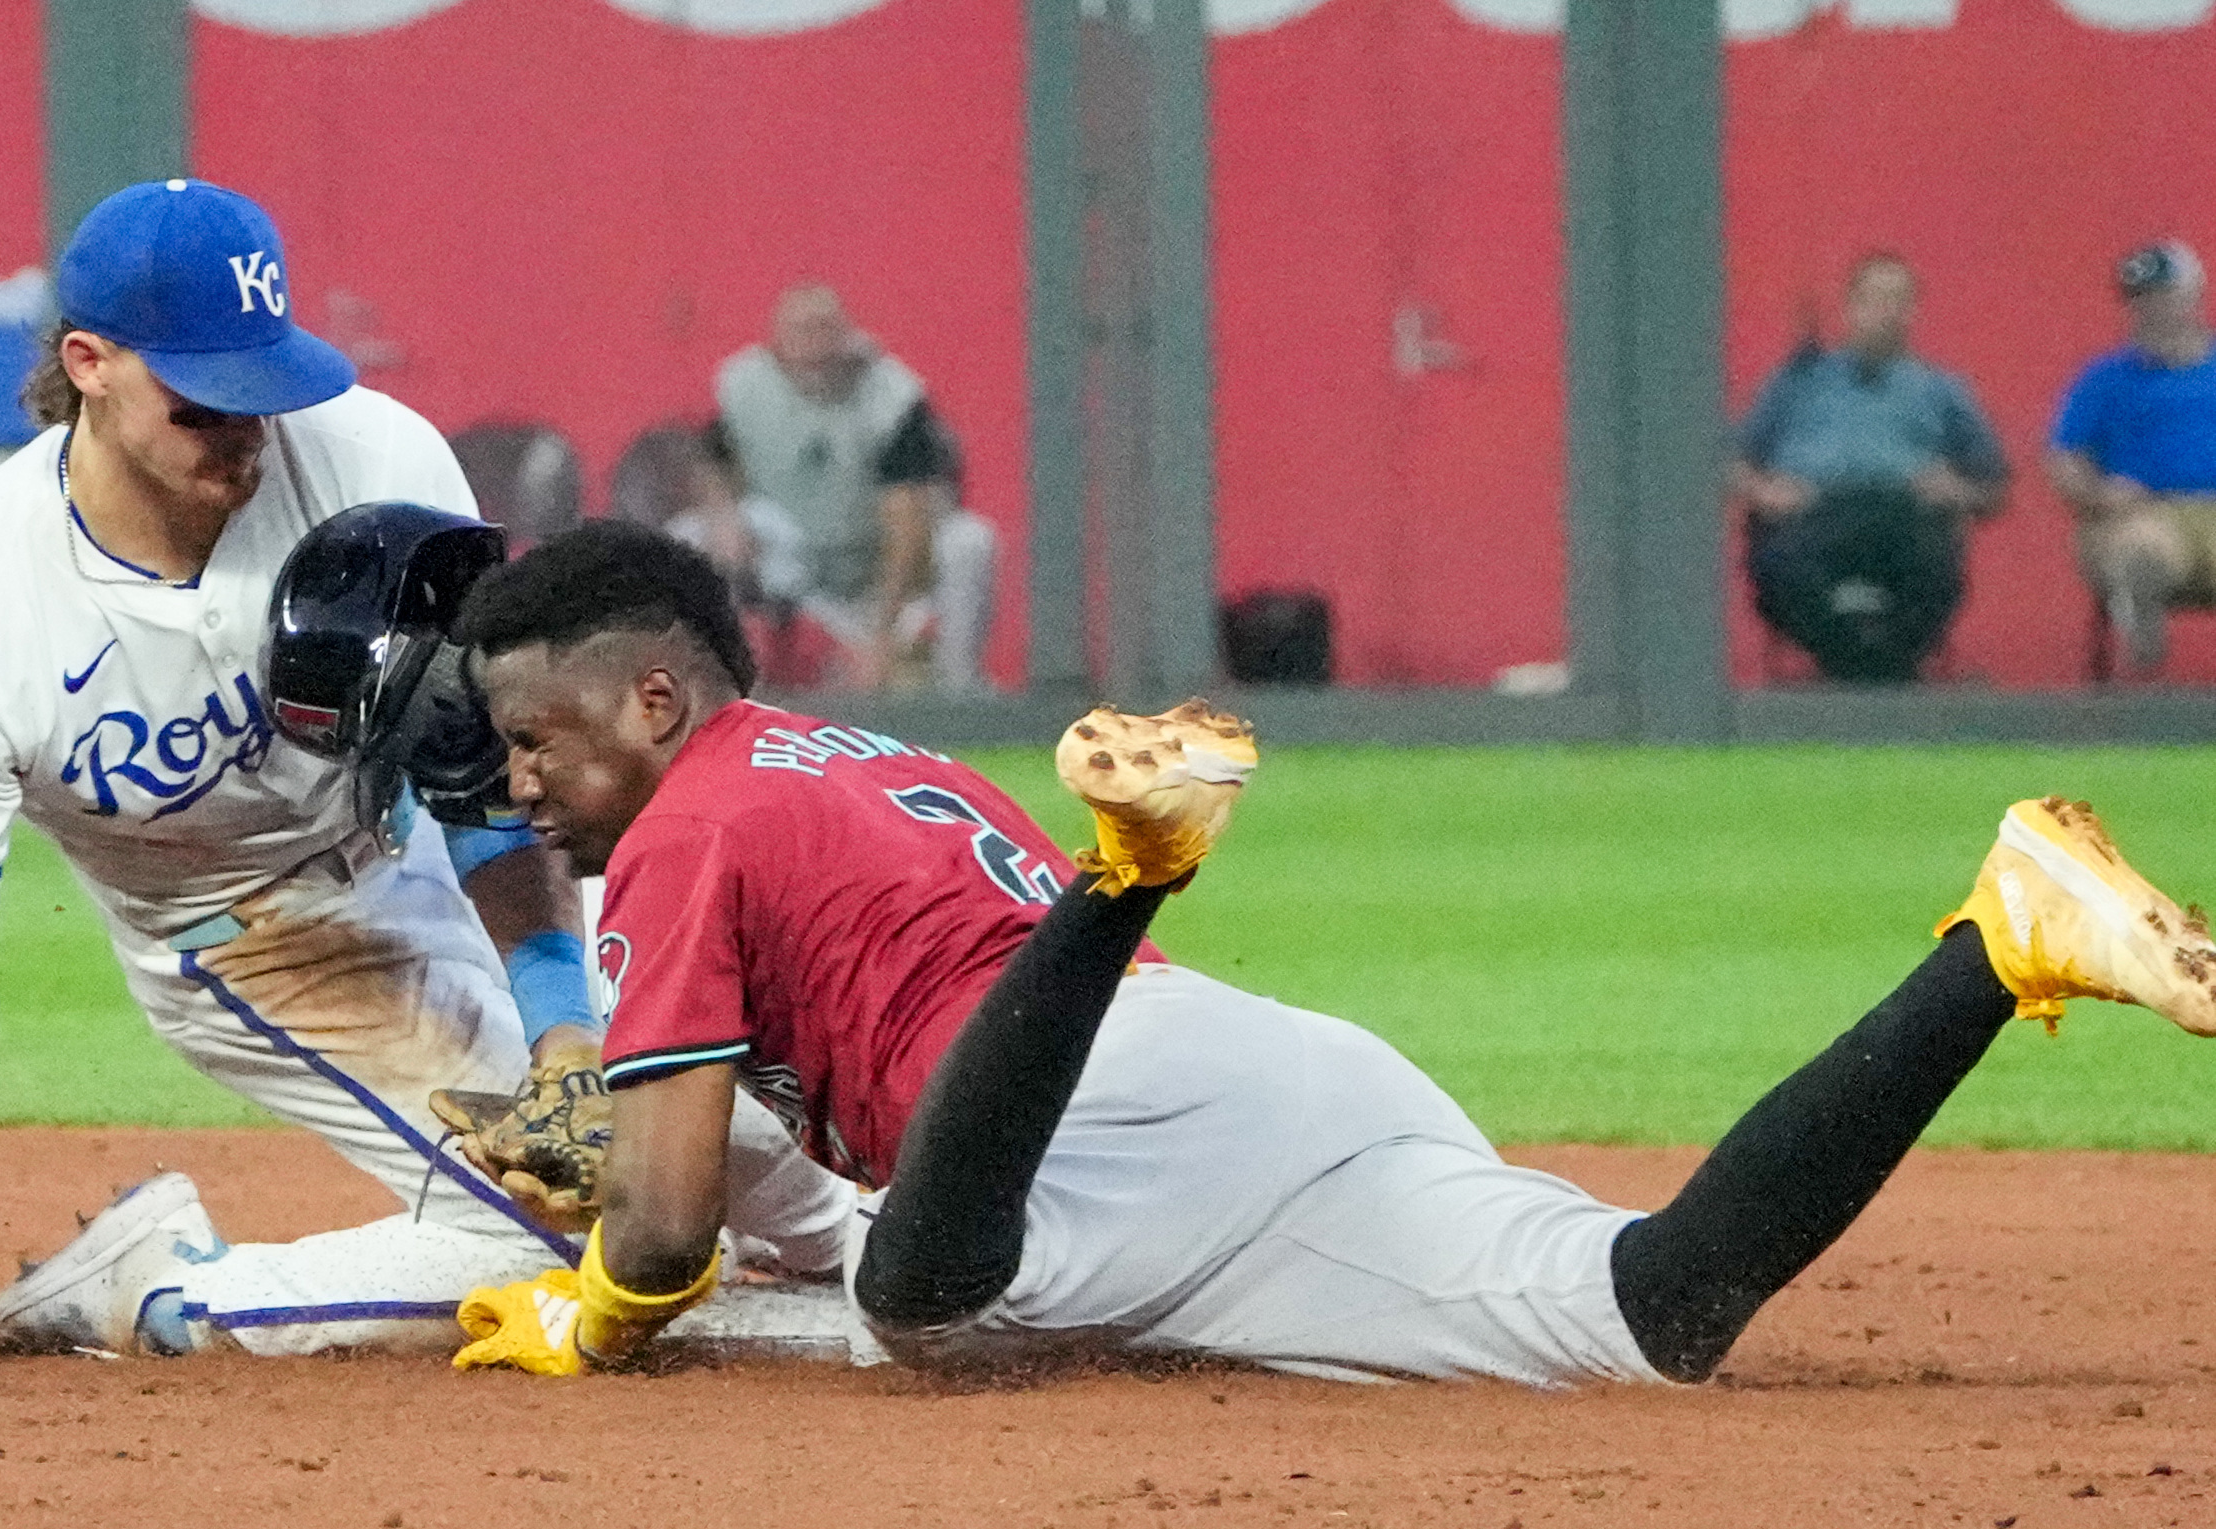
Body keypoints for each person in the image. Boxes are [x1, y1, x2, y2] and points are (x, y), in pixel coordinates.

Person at [431, 521, 2214, 1383]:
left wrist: (597, 1310)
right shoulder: (849, 751)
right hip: (1259, 1080)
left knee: (919, 1297)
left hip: (1071, 1124)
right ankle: (2003, 939)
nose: (517, 784)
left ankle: (1127, 873)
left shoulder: (681, 827)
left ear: (652, 699)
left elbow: (661, 1227)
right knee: (1654, 1309)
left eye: (531, 740)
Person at [0, 181, 850, 1381]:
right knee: (584, 1237)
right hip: (255, 932)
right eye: (206, 400)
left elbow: (476, 767)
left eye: (265, 385)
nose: (248, 429)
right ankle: (159, 1284)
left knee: (736, 1123)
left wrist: (565, 1030)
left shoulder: (373, 456)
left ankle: (845, 1253)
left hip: (424, 839)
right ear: (89, 364)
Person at [1733, 254, 2009, 683]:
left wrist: (1959, 492)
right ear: (1850, 308)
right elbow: (1729, 461)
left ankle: (1876, 671)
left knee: (1937, 566)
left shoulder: (1941, 390)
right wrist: (1761, 490)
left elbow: (1995, 488)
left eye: (1899, 301)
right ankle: (1860, 667)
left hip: (1904, 515)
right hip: (1812, 514)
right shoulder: (1797, 381)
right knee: (1780, 564)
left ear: (1913, 312)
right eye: (1875, 299)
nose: (1886, 312)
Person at [714, 283, 996, 692]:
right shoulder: (742, 388)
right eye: (801, 332)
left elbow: (907, 527)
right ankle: (732, 694)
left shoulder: (891, 398)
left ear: (848, 335)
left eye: (824, 329)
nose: (814, 346)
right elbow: (713, 470)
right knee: (696, 536)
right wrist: (725, 519)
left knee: (969, 541)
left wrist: (880, 635)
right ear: (775, 344)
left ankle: (958, 689)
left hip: (885, 578)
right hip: (801, 578)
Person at [2050, 241, 2216, 678]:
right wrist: (2097, 494)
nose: (2150, 310)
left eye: (2162, 297)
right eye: (2139, 300)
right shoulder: (2103, 379)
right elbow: (2065, 460)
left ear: (2193, 297)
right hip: (2144, 513)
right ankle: (2143, 639)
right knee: (2141, 550)